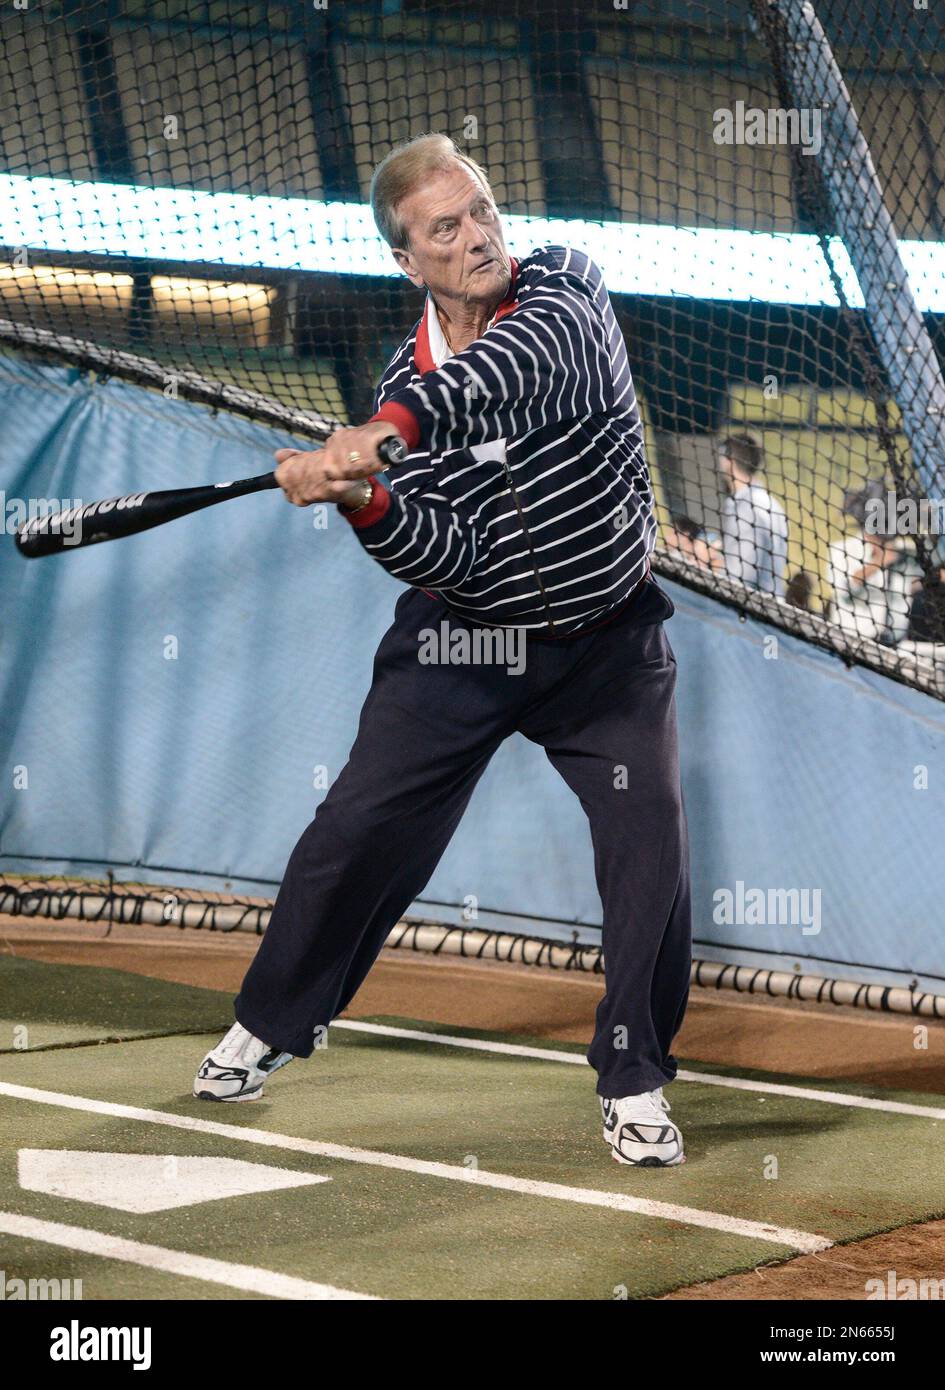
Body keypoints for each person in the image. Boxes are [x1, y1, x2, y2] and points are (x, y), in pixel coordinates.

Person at [193, 134, 691, 1168]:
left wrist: (387, 430)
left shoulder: (564, 290)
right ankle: (275, 1019)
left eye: (481, 210)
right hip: (464, 637)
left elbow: (520, 373)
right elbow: (445, 547)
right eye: (446, 229)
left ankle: (635, 1075)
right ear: (407, 260)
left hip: (607, 641)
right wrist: (366, 498)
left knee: (649, 845)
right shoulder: (398, 373)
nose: (478, 237)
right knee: (357, 830)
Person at [827, 482, 922, 645]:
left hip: (894, 646)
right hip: (848, 642)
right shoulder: (842, 550)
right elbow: (844, 590)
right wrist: (878, 563)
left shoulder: (905, 553)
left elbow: (919, 582)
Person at [713, 432, 788, 596]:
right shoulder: (772, 504)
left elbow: (741, 577)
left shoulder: (745, 508)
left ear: (728, 461)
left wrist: (711, 563)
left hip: (746, 614)